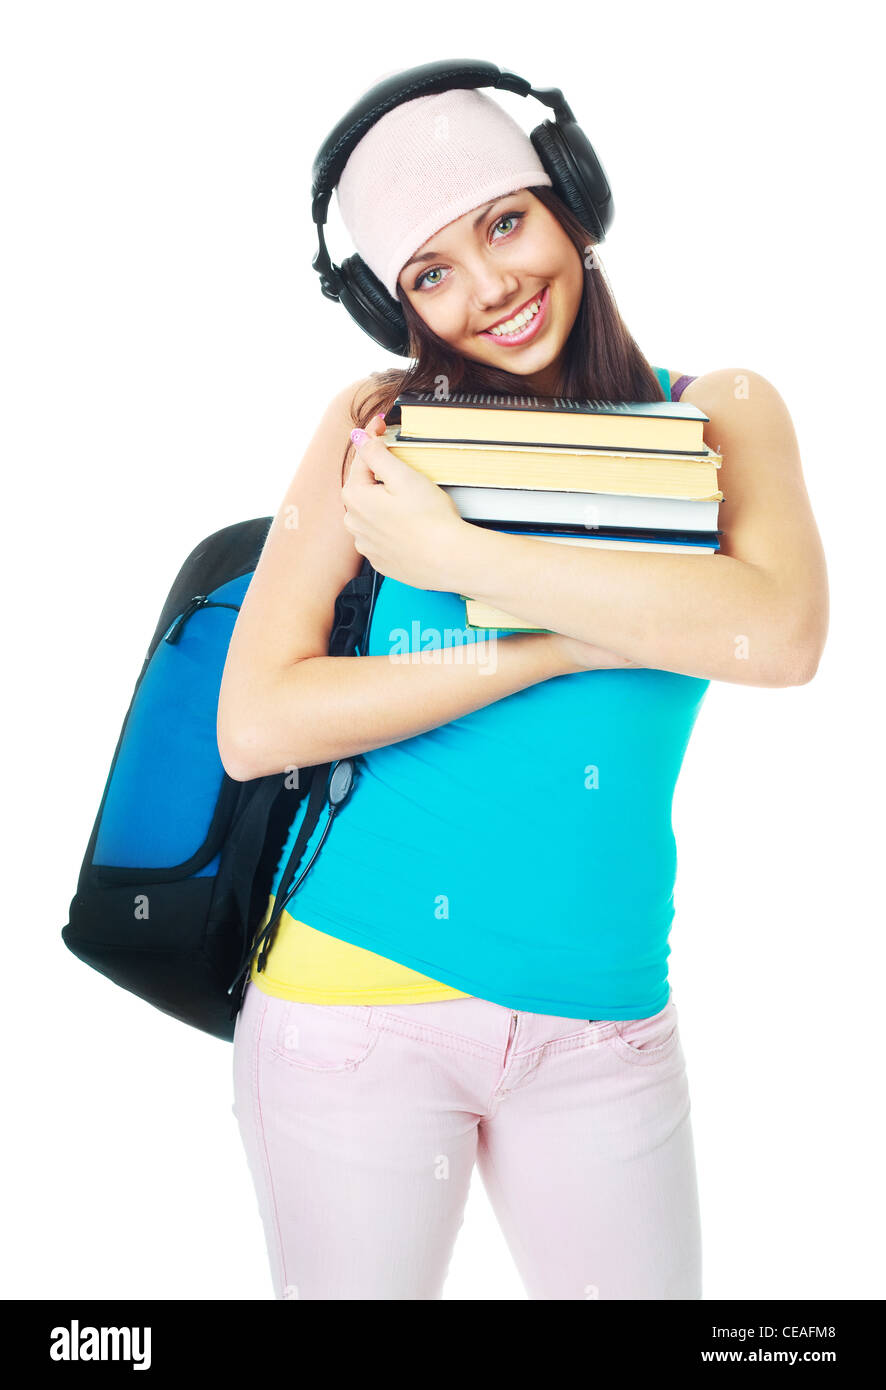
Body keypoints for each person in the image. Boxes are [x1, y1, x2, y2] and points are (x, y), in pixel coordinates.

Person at [217, 84, 828, 1301]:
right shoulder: (374, 426)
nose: (488, 289)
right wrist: (548, 645)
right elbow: (258, 720)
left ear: (573, 205)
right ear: (394, 306)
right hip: (355, 1008)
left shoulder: (720, 414)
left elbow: (780, 637)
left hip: (605, 1022)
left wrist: (468, 564)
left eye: (503, 225)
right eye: (431, 273)